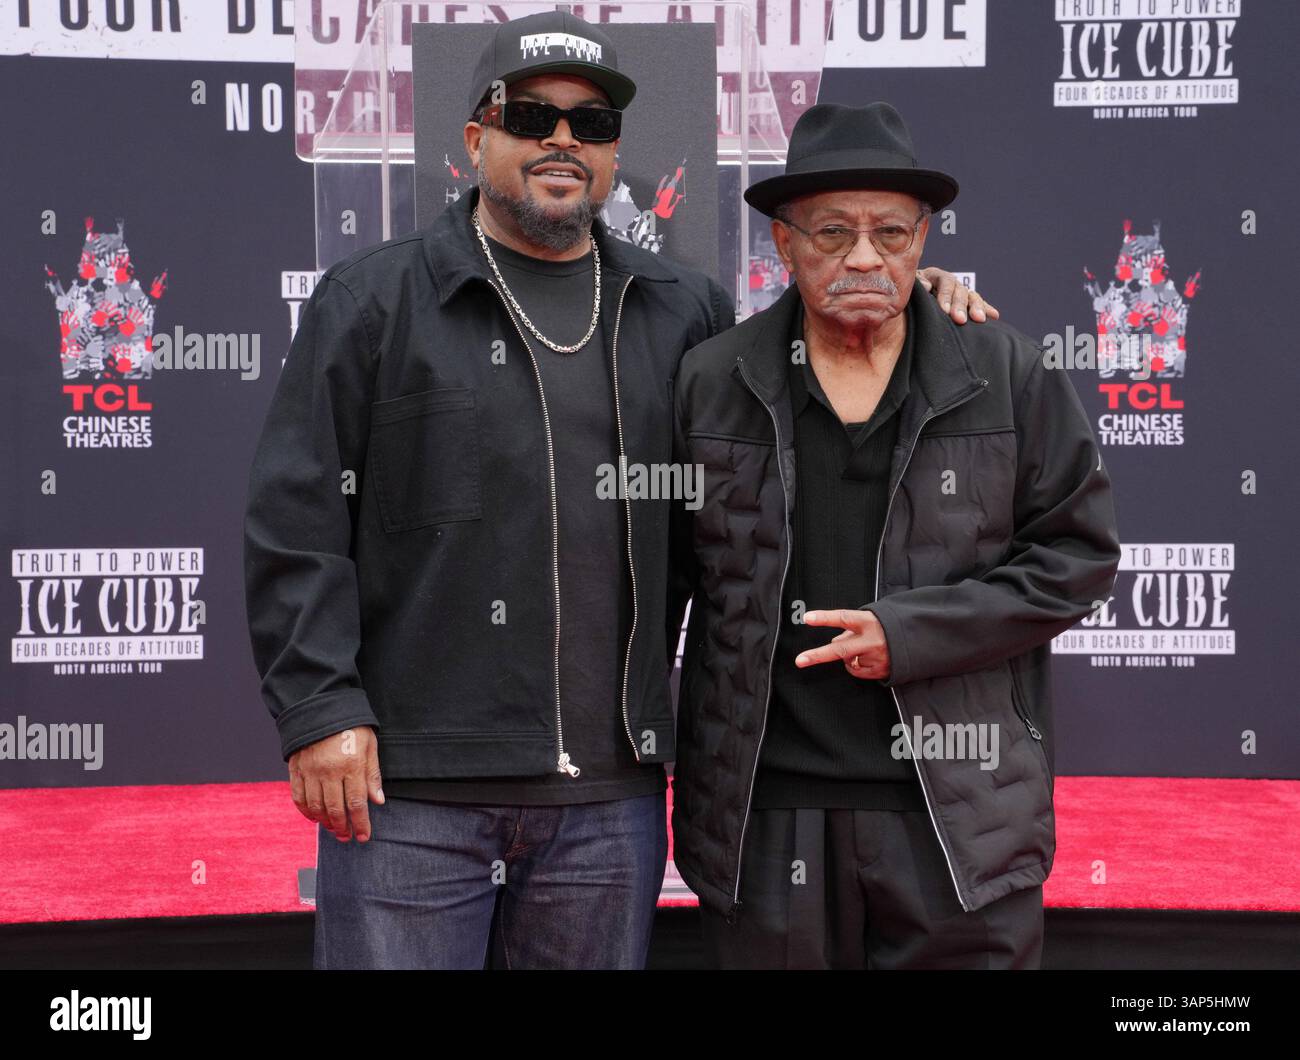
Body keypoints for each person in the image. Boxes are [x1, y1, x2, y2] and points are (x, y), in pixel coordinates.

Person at [243, 12, 991, 970]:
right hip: (412, 789)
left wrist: (901, 295)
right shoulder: (373, 302)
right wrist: (321, 714)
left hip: (609, 799)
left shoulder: (684, 312)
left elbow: (814, 378)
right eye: (532, 115)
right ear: (476, 138)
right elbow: (295, 523)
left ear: (613, 155)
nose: (564, 139)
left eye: (592, 124)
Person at [668, 102, 1122, 969]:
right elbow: (662, 577)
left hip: (958, 810)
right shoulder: (710, 379)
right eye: (833, 232)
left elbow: (1077, 556)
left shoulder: (1004, 371)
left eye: (891, 231)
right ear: (783, 244)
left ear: (924, 240)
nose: (865, 255)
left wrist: (909, 636)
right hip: (769, 818)